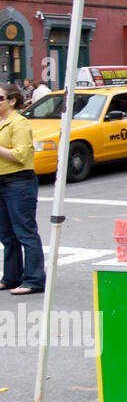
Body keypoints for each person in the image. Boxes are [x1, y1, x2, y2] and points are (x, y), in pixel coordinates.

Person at [0, 83, 43, 295]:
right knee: (7, 235)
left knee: (25, 232)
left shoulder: (19, 123)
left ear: (12, 101)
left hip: (18, 182)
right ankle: (10, 277)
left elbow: (21, 156)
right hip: (2, 181)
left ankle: (34, 279)